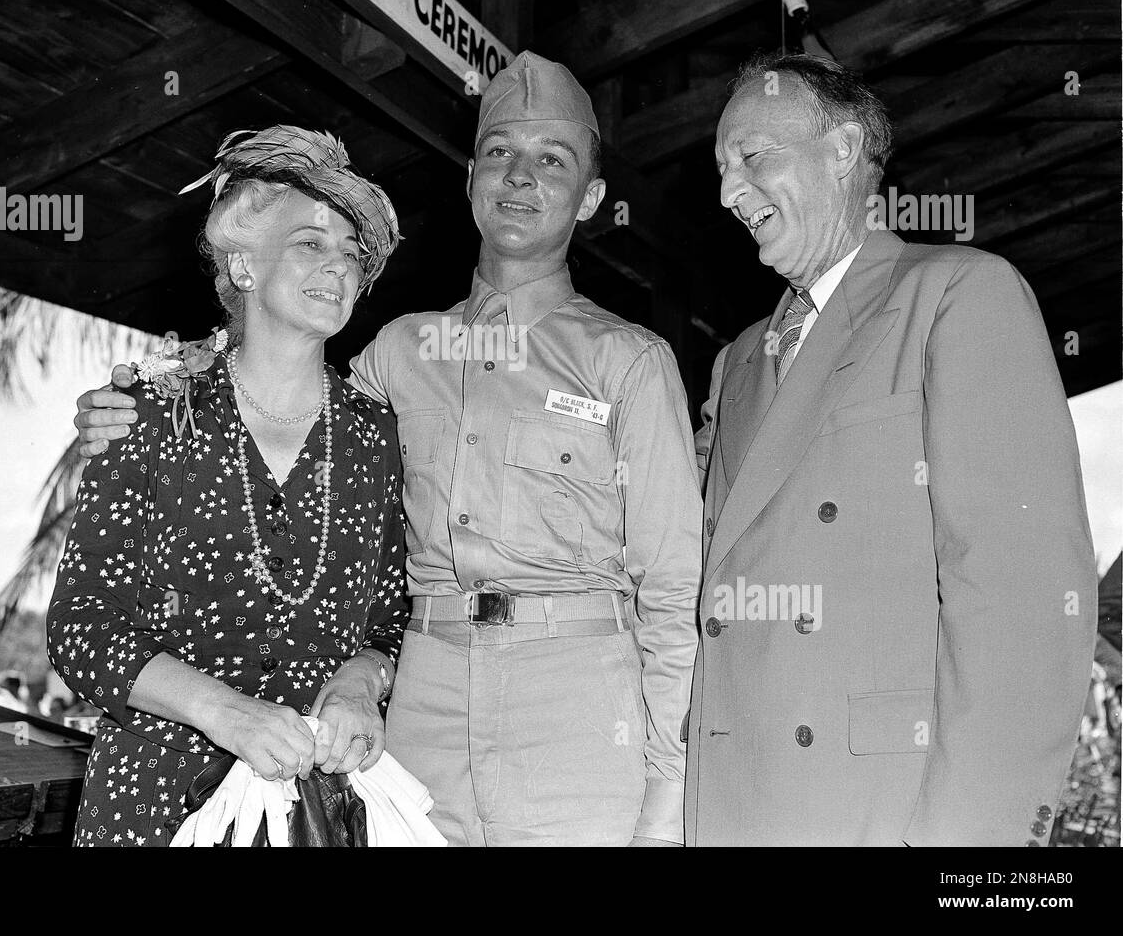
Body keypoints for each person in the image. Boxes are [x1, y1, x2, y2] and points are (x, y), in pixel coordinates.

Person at [73, 53, 702, 847]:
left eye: (553, 161)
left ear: (592, 199)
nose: (520, 177)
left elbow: (676, 598)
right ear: (472, 175)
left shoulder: (631, 363)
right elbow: (280, 389)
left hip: (576, 723)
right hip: (417, 732)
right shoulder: (398, 353)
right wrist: (150, 390)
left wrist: (666, 802)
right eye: (501, 153)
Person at [689, 51, 1098, 846]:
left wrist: (969, 846)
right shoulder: (737, 359)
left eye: (752, 157)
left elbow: (1019, 594)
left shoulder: (957, 294)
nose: (729, 190)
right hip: (732, 806)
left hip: (876, 812)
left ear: (843, 151)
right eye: (720, 168)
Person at [48, 126, 409, 846]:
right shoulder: (149, 412)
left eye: (350, 253)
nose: (337, 266)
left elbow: (390, 623)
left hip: (312, 814)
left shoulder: (374, 435)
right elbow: (81, 628)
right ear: (243, 265)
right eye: (311, 243)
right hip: (153, 805)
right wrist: (226, 713)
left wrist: (359, 686)